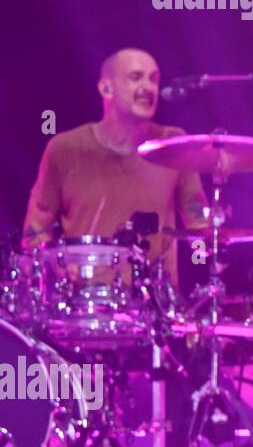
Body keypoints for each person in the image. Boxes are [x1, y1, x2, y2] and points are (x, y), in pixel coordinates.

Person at [24, 47, 209, 282]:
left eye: (154, 79)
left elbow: (198, 218)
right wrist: (58, 271)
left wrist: (210, 241)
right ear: (106, 88)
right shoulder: (65, 148)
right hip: (84, 306)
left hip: (156, 306)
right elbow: (36, 230)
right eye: (135, 77)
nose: (148, 87)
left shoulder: (173, 144)